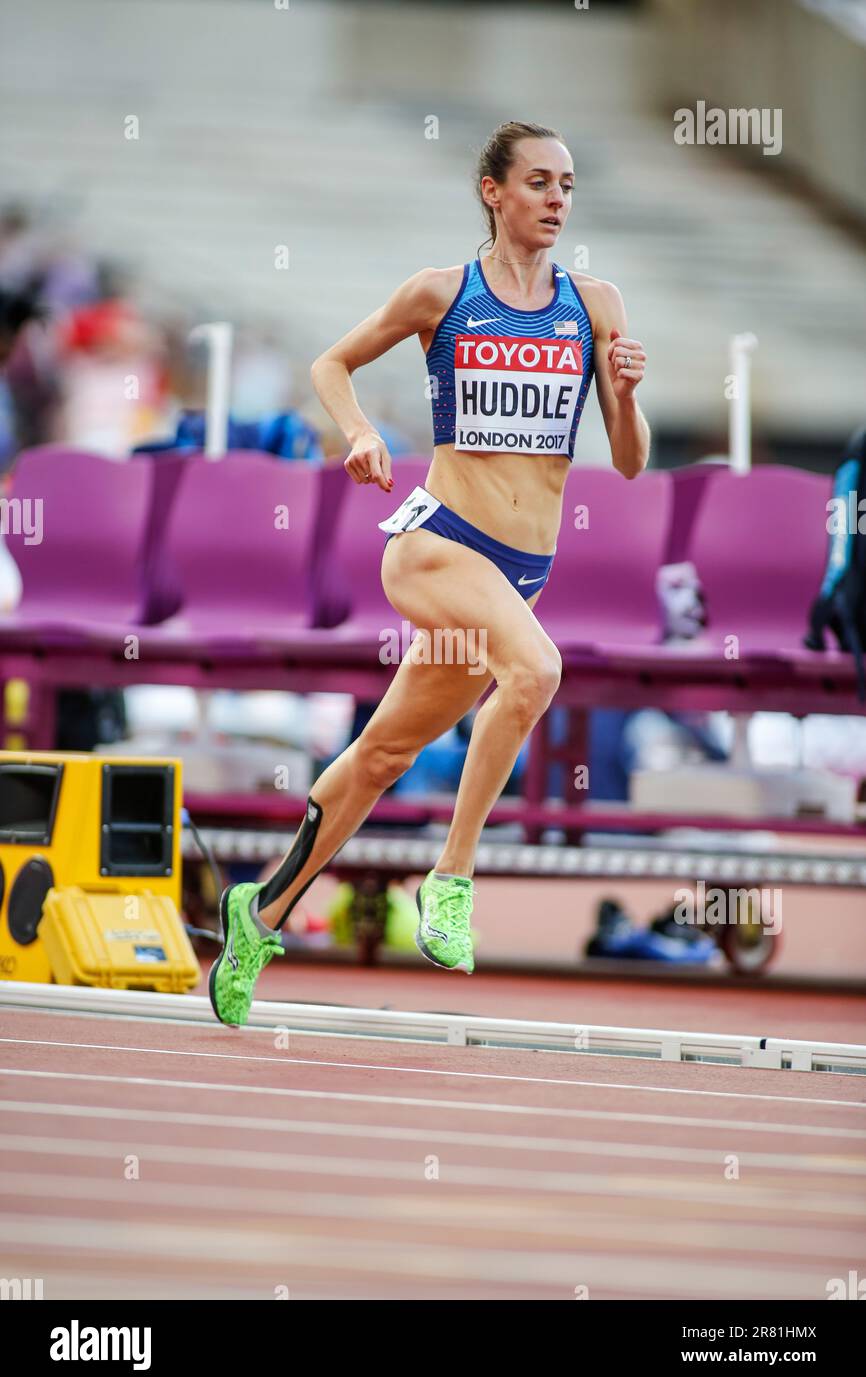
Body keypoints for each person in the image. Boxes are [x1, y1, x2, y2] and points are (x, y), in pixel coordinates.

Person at [209, 119, 649, 1027]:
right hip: (435, 545)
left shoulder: (595, 304)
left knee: (382, 754)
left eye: (567, 185)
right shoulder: (441, 294)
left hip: (519, 575)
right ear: (493, 191)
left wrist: (631, 394)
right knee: (537, 673)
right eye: (538, 183)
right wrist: (364, 433)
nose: (557, 200)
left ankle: (259, 913)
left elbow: (632, 461)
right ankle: (452, 878)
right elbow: (332, 364)